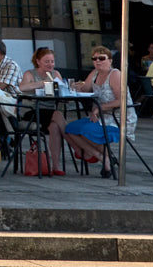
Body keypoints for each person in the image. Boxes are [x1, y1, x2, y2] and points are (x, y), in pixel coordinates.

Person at [67, 47, 134, 176]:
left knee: (85, 130)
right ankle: (104, 157)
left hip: (118, 118)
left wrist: (99, 109)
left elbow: (122, 101)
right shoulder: (95, 73)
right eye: (94, 58)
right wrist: (75, 87)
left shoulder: (115, 74)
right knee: (70, 129)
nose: (97, 61)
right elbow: (85, 89)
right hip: (99, 116)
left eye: (101, 58)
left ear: (110, 60)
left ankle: (106, 159)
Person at [18, 47, 69, 175]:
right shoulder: (30, 74)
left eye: (52, 61)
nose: (50, 64)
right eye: (46, 61)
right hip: (32, 111)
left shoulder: (56, 74)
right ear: (38, 61)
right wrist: (42, 83)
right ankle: (75, 144)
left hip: (50, 112)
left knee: (54, 127)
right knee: (57, 114)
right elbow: (21, 88)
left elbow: (62, 92)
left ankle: (55, 166)